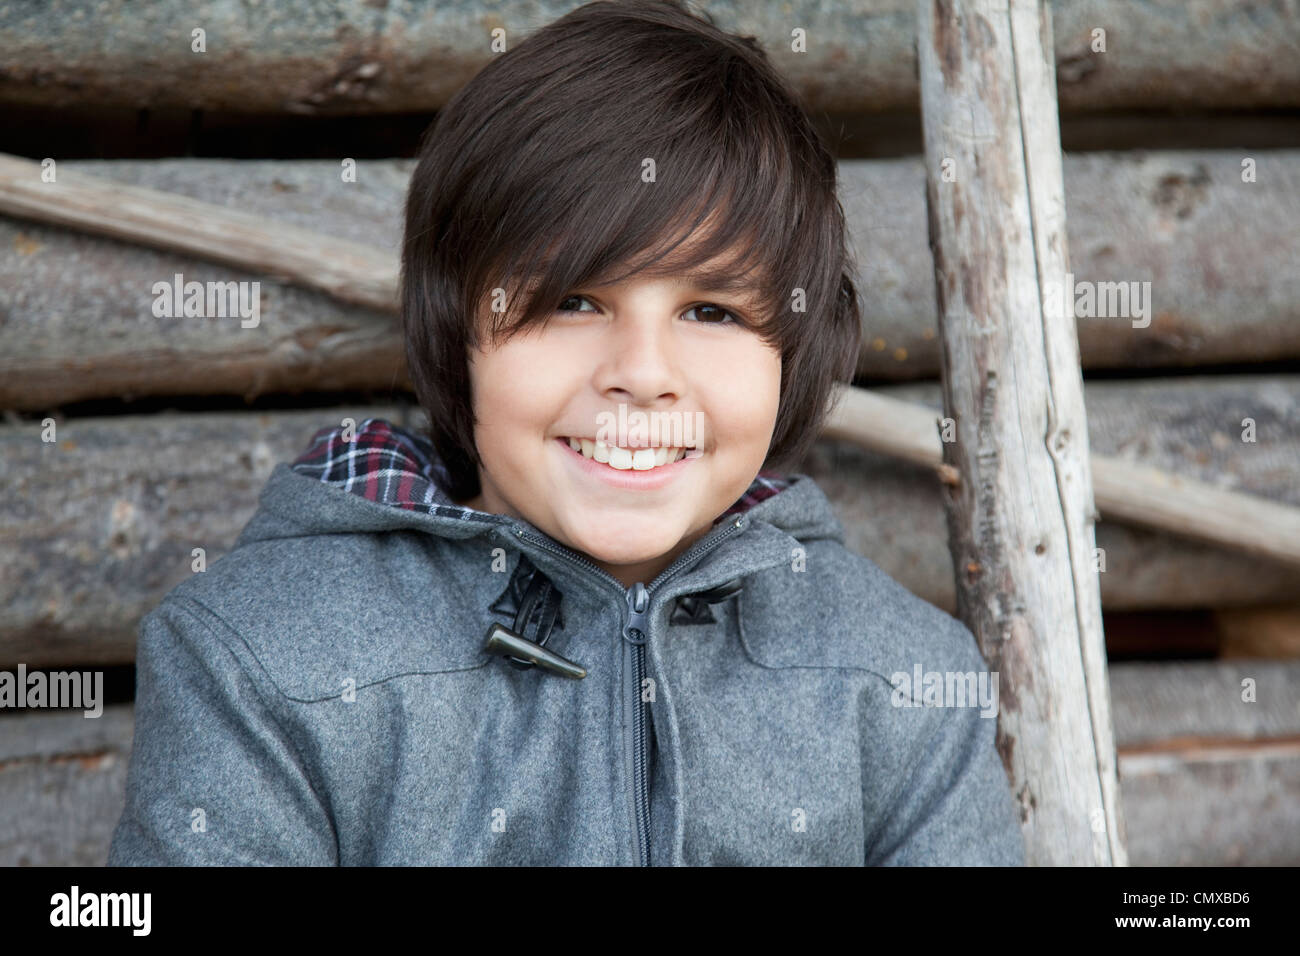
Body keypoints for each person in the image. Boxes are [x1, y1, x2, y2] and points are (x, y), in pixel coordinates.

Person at [109, 0, 1024, 866]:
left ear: (795, 354)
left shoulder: (906, 682)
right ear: (456, 329)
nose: (644, 370)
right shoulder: (257, 656)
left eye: (711, 311)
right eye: (574, 301)